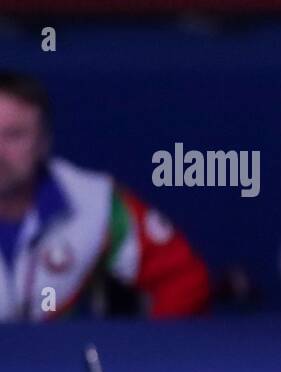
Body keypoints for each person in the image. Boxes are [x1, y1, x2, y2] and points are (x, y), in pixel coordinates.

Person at [0, 72, 210, 322]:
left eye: (14, 135)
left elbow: (184, 279)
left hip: (58, 358)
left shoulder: (94, 202)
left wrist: (148, 351)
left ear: (44, 142)